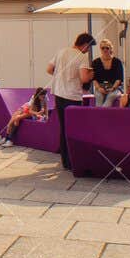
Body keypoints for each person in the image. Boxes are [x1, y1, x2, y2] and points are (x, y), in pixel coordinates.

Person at [47, 32, 95, 169]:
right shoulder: (81, 57)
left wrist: (61, 76)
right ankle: (73, 159)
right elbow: (84, 78)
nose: (88, 50)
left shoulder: (61, 51)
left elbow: (49, 69)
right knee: (73, 129)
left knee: (63, 128)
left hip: (58, 94)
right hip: (72, 96)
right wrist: (91, 74)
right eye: (89, 47)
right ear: (84, 44)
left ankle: (65, 161)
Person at [89, 39, 124, 107]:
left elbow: (119, 79)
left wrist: (113, 88)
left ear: (110, 49)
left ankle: (101, 112)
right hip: (100, 88)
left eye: (107, 48)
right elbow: (94, 79)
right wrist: (99, 88)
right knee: (99, 96)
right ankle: (102, 112)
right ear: (100, 49)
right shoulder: (95, 62)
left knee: (111, 96)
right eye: (103, 48)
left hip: (114, 88)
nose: (105, 50)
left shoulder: (117, 62)